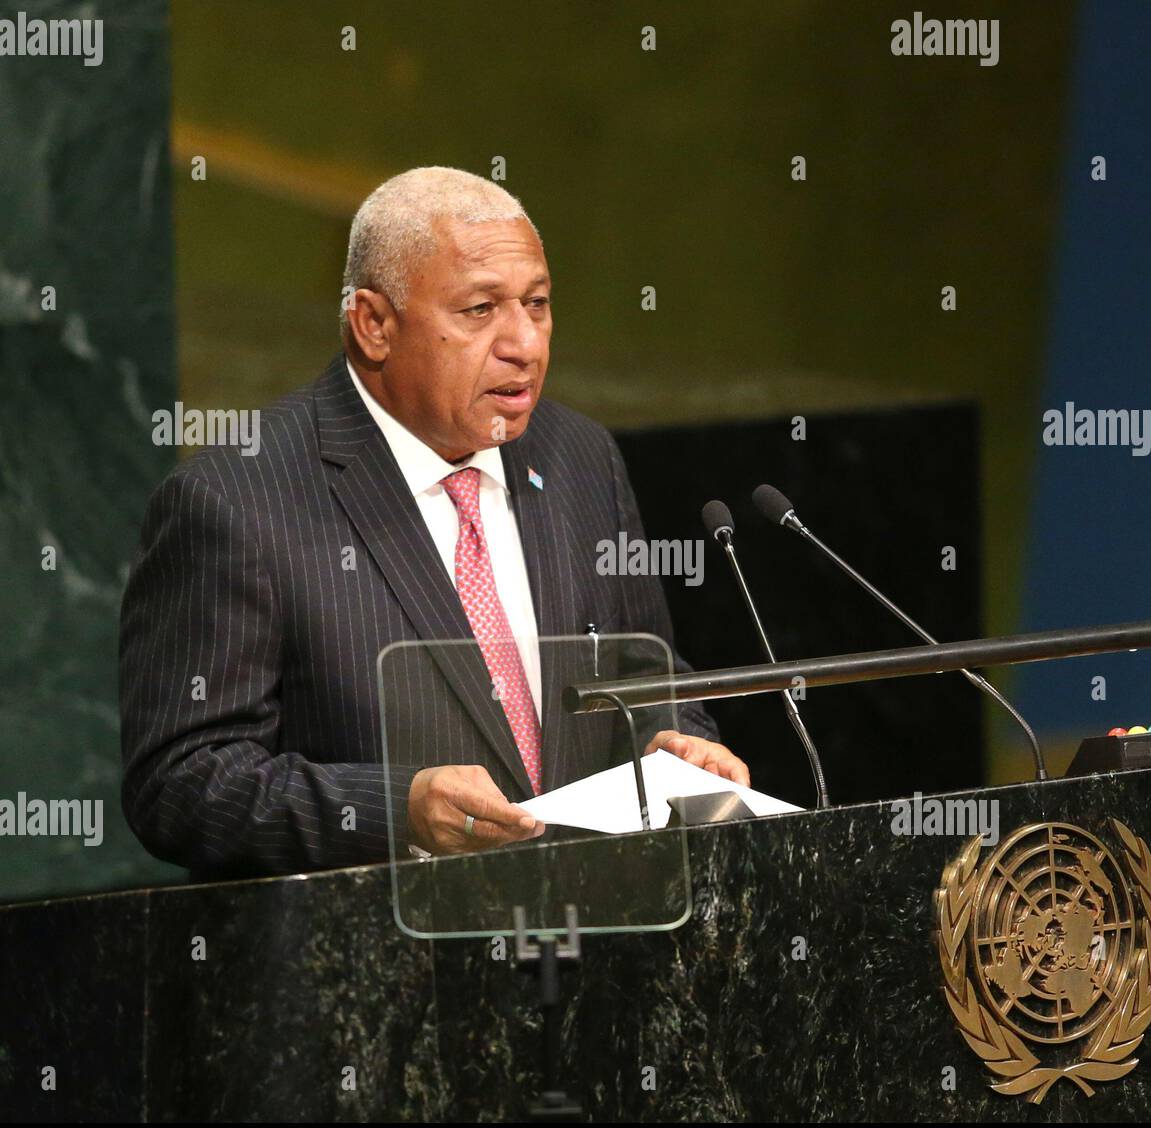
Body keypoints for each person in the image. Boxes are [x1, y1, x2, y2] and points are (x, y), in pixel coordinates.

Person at [119, 166, 748, 876]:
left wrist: (681, 741)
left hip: (586, 945)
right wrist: (397, 808)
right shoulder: (236, 499)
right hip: (372, 966)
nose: (525, 343)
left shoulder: (581, 458)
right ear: (374, 325)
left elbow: (651, 679)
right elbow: (180, 781)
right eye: (480, 310)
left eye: (537, 304)